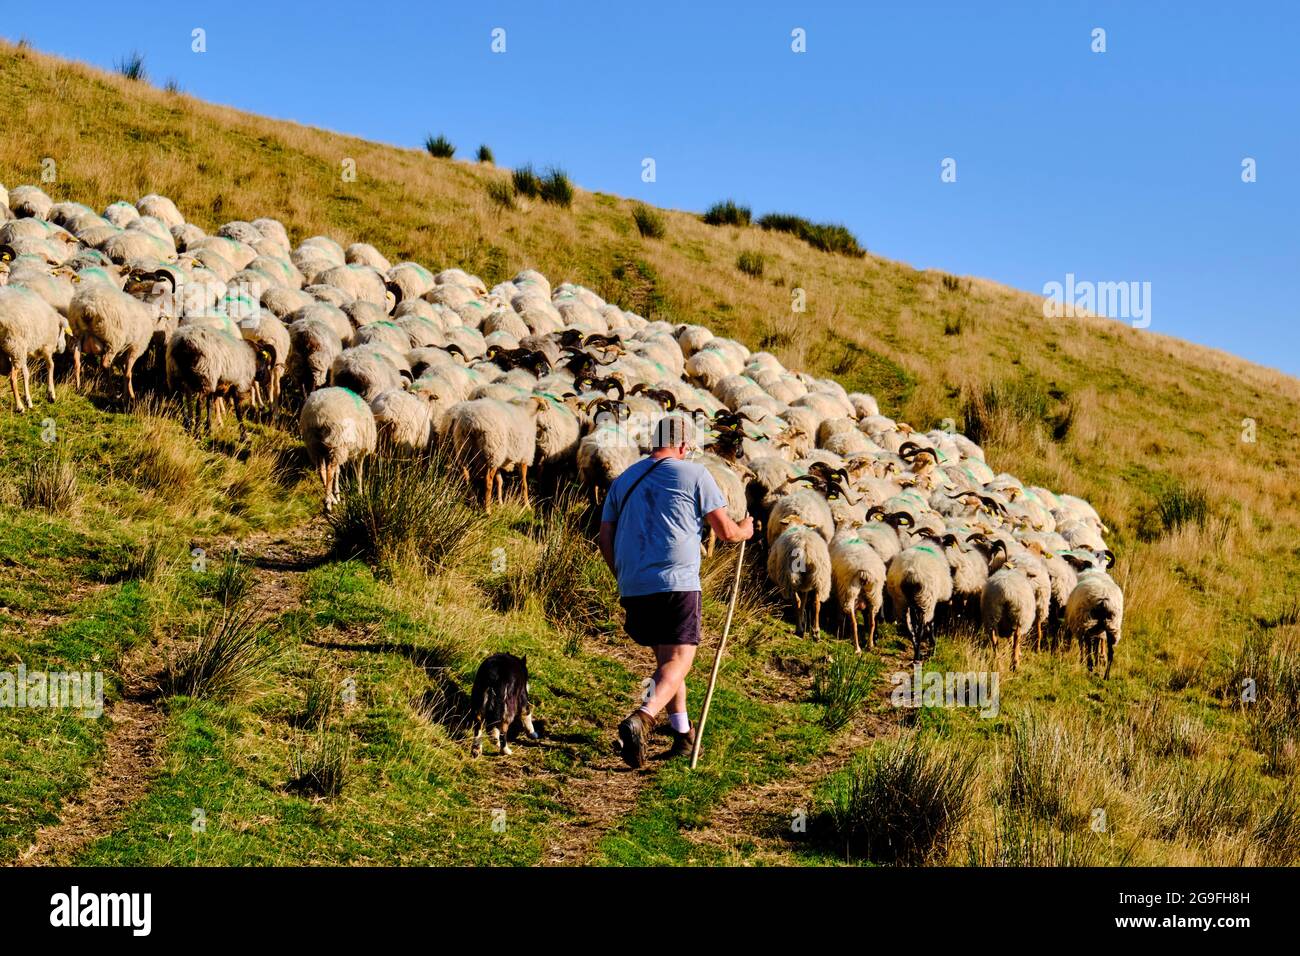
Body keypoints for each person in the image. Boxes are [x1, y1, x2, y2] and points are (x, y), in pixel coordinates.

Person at [598, 413, 753, 768]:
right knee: (681, 660)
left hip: (635, 585)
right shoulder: (696, 474)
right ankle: (642, 716)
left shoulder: (624, 479)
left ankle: (682, 736)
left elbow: (605, 536)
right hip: (677, 583)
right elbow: (726, 532)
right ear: (684, 445)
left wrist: (623, 574)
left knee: (667, 664)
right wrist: (746, 529)